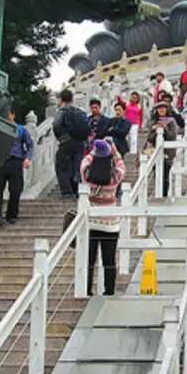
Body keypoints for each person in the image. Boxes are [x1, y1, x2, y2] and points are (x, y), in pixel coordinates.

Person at [80, 139, 126, 296]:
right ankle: (109, 291)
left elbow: (85, 161)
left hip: (90, 224)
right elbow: (121, 164)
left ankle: (86, 290)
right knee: (109, 260)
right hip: (110, 224)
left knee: (89, 260)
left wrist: (95, 151)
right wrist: (113, 150)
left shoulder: (86, 173)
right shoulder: (114, 177)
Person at [0, 110, 34, 227]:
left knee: (15, 190)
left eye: (8, 114)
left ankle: (12, 215)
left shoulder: (21, 129)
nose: (6, 116)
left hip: (16, 161)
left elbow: (30, 144)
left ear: (13, 115)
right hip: (0, 161)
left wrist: (28, 158)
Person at [52, 89, 90, 199]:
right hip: (80, 143)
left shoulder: (62, 111)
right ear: (72, 99)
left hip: (67, 142)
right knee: (76, 167)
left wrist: (62, 137)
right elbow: (87, 127)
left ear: (61, 100)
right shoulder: (80, 112)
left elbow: (56, 124)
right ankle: (77, 191)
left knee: (61, 166)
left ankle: (67, 192)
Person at [147, 99, 179, 197]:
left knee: (165, 175)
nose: (161, 110)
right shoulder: (153, 122)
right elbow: (149, 138)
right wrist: (155, 130)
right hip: (154, 151)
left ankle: (164, 194)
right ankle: (158, 193)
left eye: (163, 108)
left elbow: (172, 136)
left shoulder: (171, 122)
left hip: (168, 152)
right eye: (159, 108)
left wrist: (165, 129)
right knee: (157, 174)